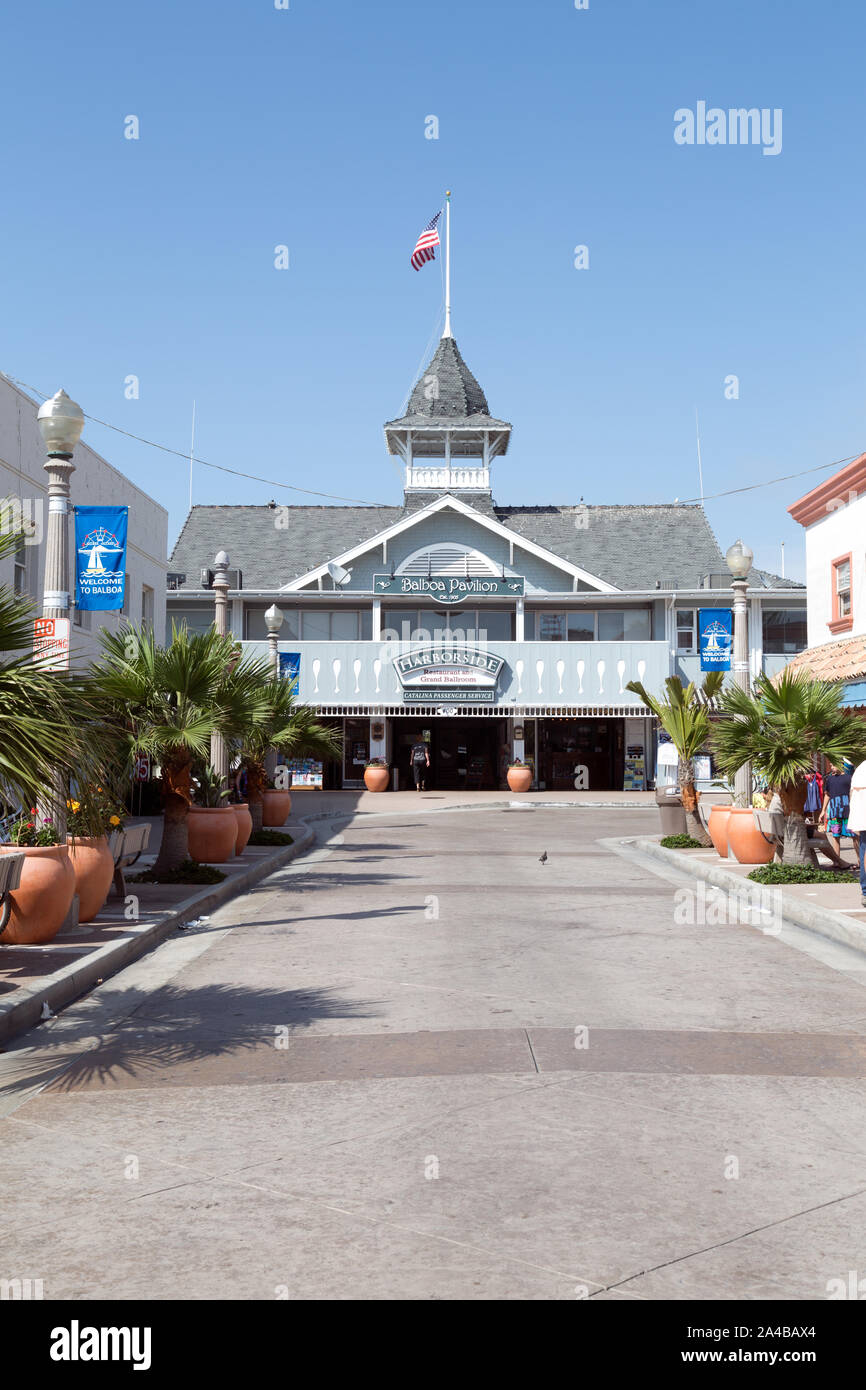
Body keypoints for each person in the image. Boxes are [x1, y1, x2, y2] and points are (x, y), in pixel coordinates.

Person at [818, 761, 854, 871]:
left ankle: (860, 862)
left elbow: (852, 793)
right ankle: (837, 861)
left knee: (854, 836)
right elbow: (827, 795)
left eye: (833, 765)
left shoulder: (849, 778)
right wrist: (823, 810)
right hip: (834, 811)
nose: (832, 767)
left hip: (848, 810)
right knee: (835, 836)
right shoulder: (830, 779)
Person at [847, 757, 866, 908]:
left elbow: (852, 796)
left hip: (862, 820)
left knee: (864, 851)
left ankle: (865, 892)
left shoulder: (860, 769)